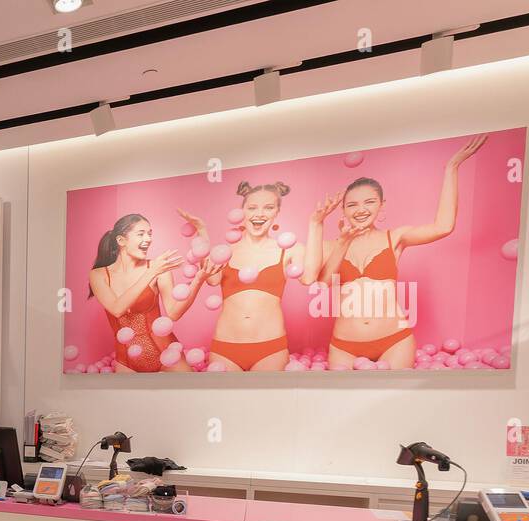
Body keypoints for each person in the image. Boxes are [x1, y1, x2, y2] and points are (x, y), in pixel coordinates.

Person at [320, 135, 487, 370]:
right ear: (343, 210)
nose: (360, 210)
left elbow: (443, 227)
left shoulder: (395, 238)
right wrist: (331, 234)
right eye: (352, 205)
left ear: (381, 206)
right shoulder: (332, 246)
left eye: (368, 202)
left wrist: (451, 168)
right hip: (344, 345)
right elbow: (318, 281)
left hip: (394, 341)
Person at [202, 182, 339, 372]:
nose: (259, 214)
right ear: (242, 212)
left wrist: (316, 223)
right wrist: (201, 233)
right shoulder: (225, 252)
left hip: (270, 348)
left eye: (268, 207)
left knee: (270, 401)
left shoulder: (289, 249)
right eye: (252, 208)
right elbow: (212, 279)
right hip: (225, 347)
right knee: (223, 402)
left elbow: (308, 277)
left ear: (277, 213)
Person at [87, 211, 218, 373]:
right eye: (141, 234)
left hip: (167, 354)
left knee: (191, 395)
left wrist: (199, 279)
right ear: (121, 241)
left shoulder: (159, 270)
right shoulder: (98, 274)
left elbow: (173, 314)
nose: (148, 239)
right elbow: (116, 309)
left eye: (150, 234)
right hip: (126, 360)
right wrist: (151, 272)